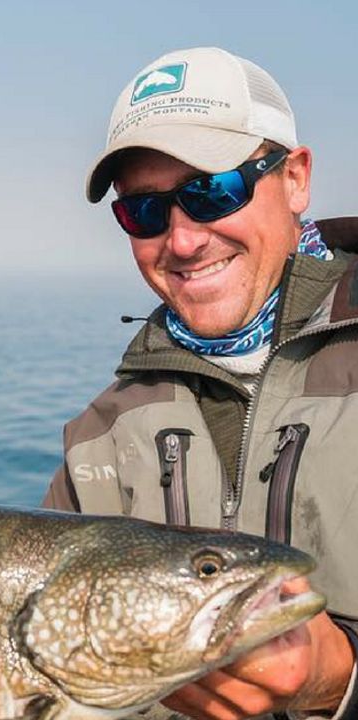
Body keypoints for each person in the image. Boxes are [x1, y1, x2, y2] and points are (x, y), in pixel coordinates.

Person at [43, 47, 358, 720]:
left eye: (212, 191)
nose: (182, 241)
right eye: (144, 211)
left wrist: (340, 683)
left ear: (295, 178)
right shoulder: (98, 440)